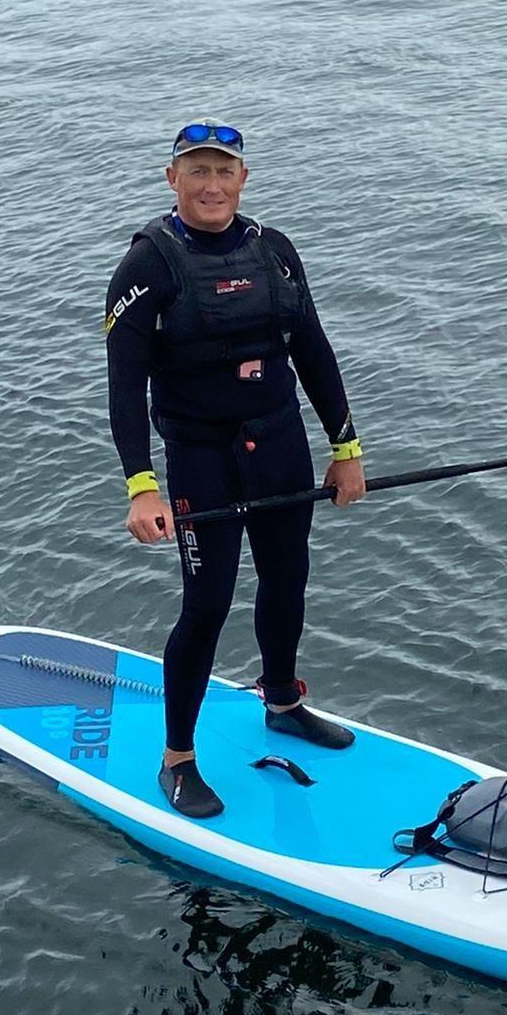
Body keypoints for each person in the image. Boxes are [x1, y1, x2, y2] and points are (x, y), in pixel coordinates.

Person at [104, 120, 367, 818]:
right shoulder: (147, 267)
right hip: (200, 459)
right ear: (172, 179)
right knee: (207, 603)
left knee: (288, 580)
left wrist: (346, 450)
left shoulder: (274, 251)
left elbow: (313, 350)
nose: (212, 184)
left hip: (280, 446)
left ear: (243, 178)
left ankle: (282, 701)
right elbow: (125, 387)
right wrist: (141, 485)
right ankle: (178, 759)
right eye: (197, 170)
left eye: (224, 170)